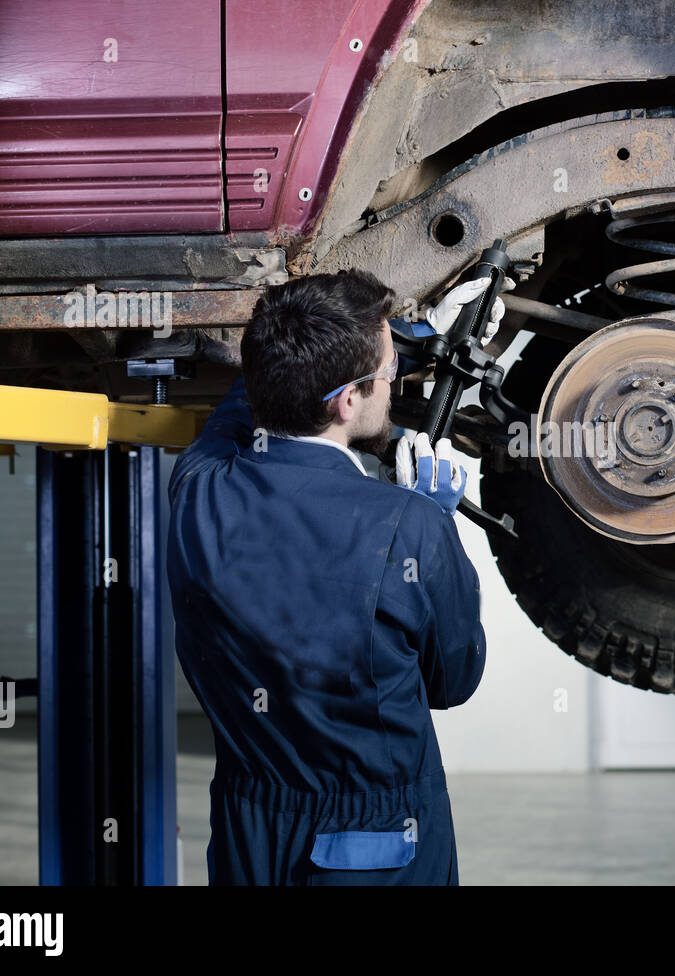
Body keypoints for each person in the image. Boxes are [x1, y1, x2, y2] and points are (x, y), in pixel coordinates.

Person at [167, 268, 501, 884]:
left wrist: (404, 330)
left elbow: (263, 387)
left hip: (250, 836)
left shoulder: (196, 492)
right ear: (347, 402)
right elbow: (452, 680)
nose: (394, 379)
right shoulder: (410, 527)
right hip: (374, 848)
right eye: (389, 370)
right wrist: (436, 529)